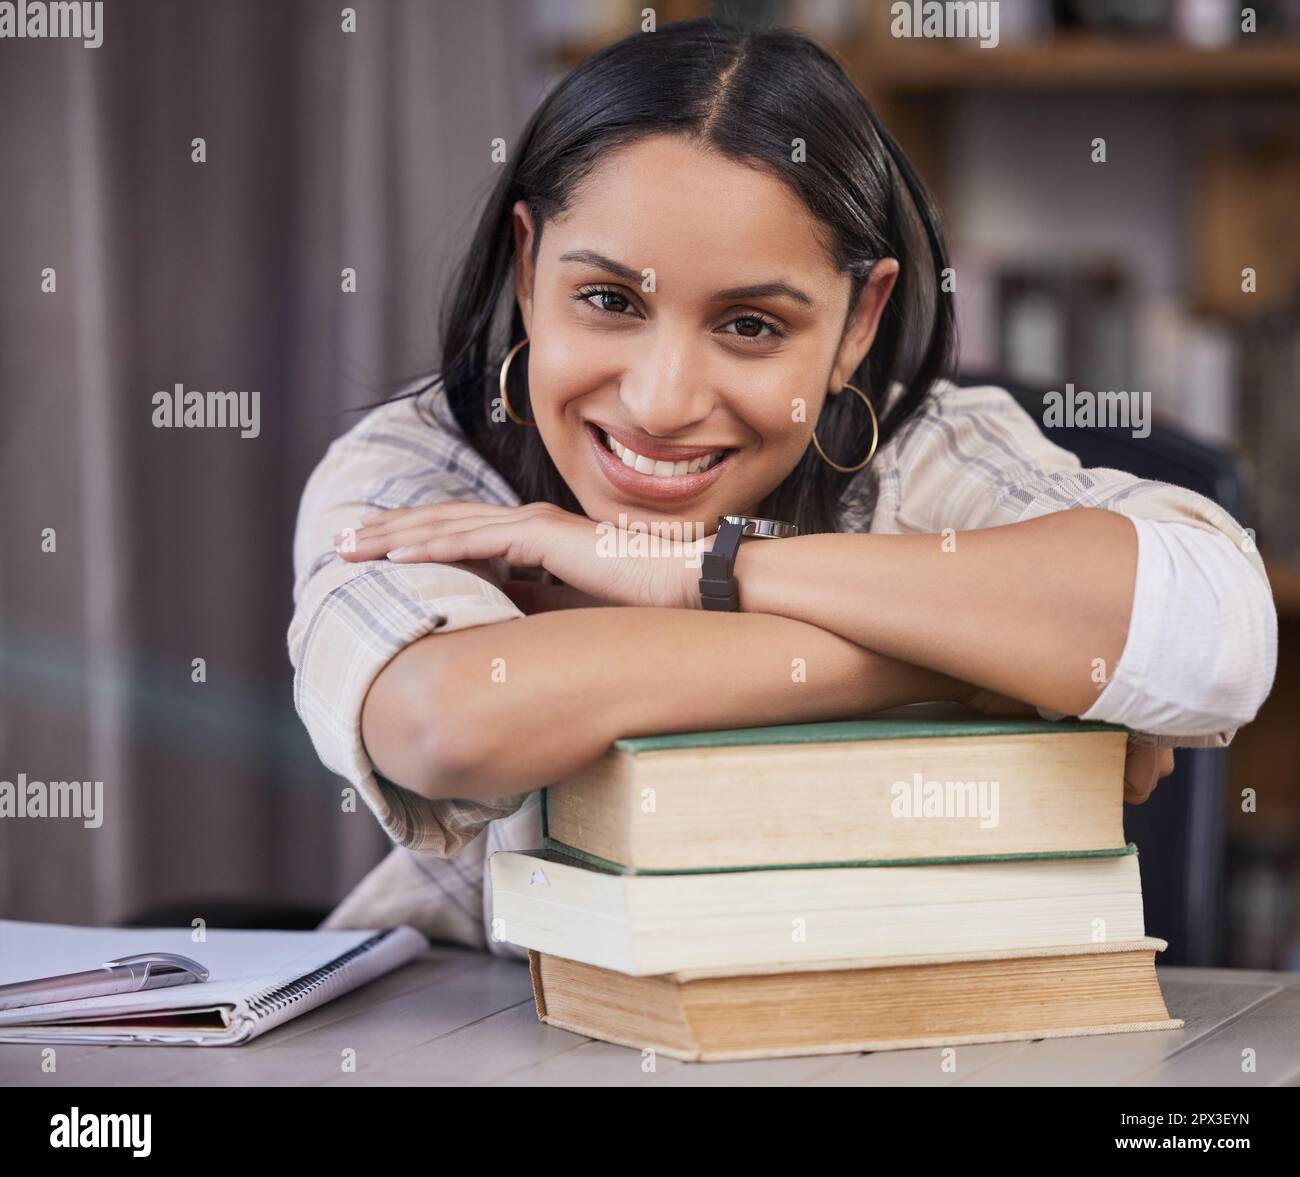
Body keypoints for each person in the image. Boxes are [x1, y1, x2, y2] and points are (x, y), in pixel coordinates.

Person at [288, 18, 1277, 955]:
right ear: (527, 263)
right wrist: (985, 661)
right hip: (482, 1031)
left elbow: (1215, 626)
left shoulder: (926, 446)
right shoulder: (419, 467)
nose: (662, 401)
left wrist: (708, 571)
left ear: (857, 323)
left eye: (751, 325)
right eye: (607, 300)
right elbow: (445, 722)